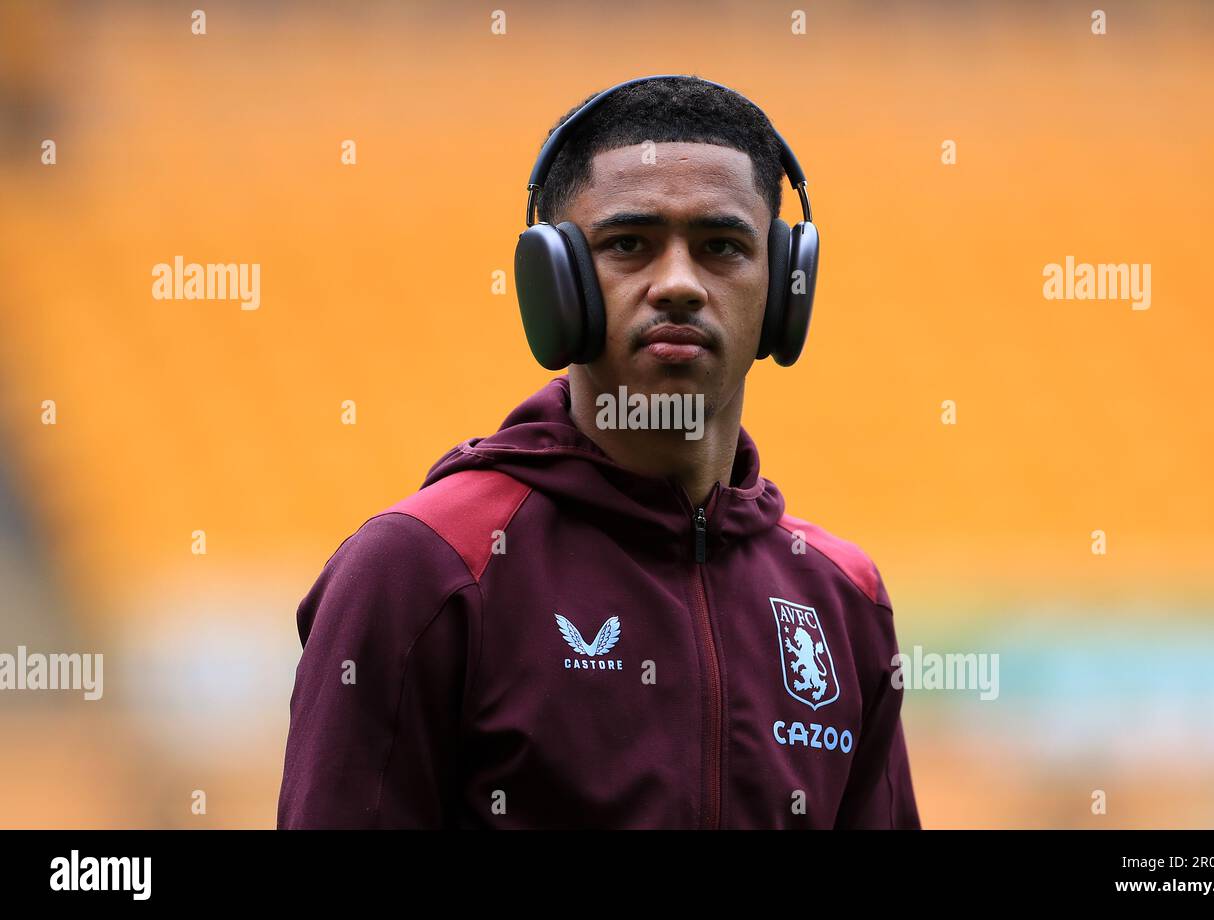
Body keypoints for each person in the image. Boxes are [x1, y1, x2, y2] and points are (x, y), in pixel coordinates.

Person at [277, 75, 920, 829]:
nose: (678, 284)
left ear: (784, 287)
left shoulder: (843, 597)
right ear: (556, 284)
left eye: (721, 246)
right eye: (628, 244)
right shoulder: (425, 570)